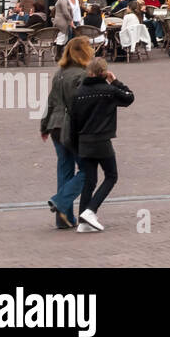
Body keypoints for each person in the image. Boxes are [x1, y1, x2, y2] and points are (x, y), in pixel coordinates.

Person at [66, 57, 134, 232]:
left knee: (90, 180)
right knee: (111, 176)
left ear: (89, 71)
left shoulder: (78, 92)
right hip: (102, 140)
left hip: (84, 141)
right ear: (104, 72)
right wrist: (115, 81)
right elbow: (129, 98)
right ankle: (90, 210)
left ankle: (82, 221)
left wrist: (75, 146)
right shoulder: (108, 90)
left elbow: (73, 123)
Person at [40, 37, 93, 227]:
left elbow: (51, 101)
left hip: (55, 126)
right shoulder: (82, 74)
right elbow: (81, 105)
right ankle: (61, 201)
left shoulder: (59, 73)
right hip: (72, 128)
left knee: (65, 169)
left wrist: (44, 126)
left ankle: (63, 218)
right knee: (88, 170)